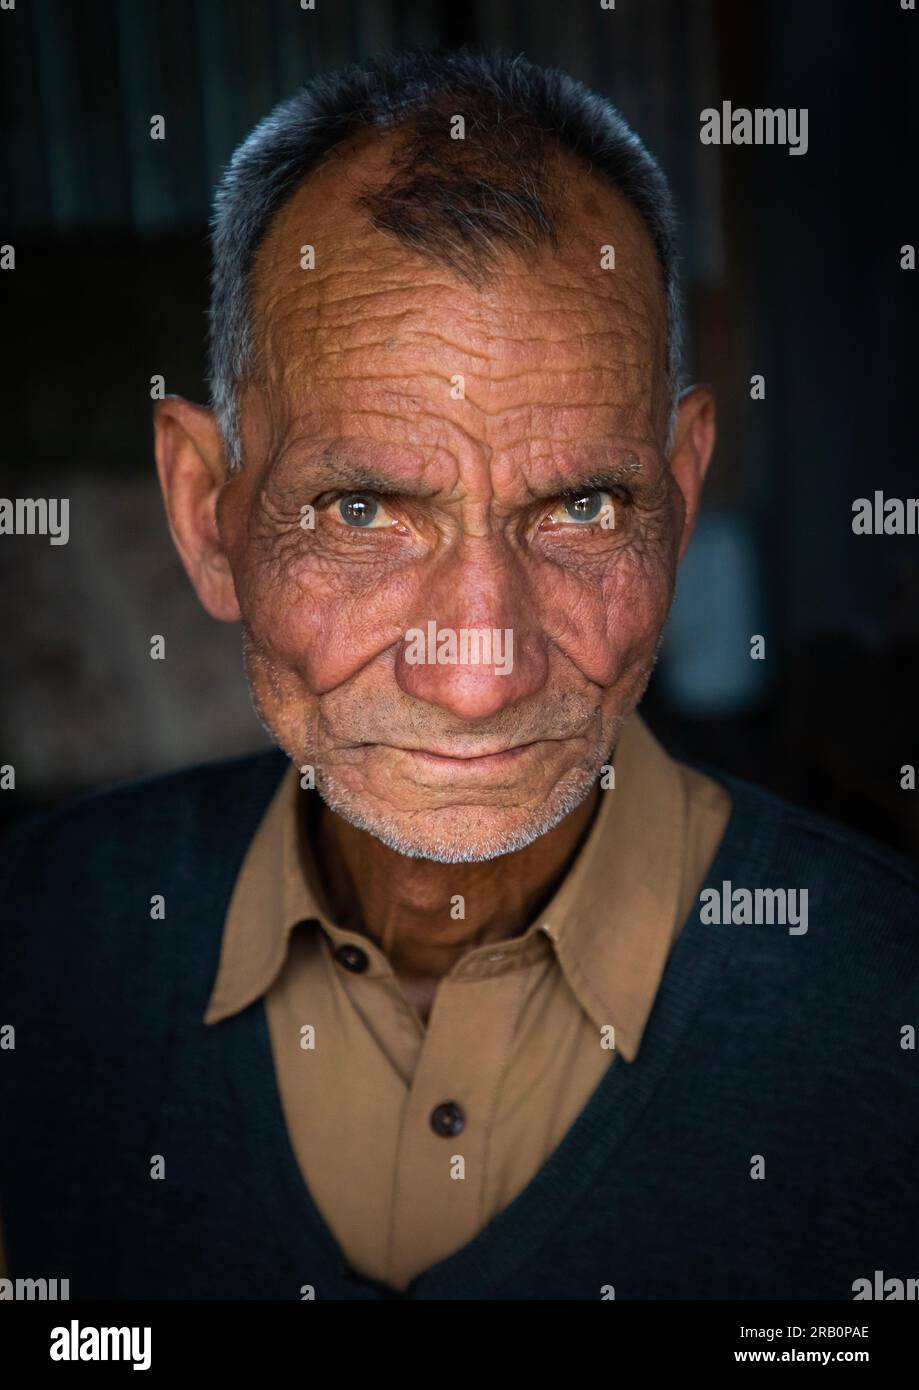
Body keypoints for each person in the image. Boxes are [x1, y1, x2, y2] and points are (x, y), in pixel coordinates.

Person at [2, 48, 918, 1301]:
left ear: (681, 496)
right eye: (365, 511)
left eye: (582, 506)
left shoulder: (886, 1003)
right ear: (207, 515)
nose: (479, 676)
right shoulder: (39, 944)